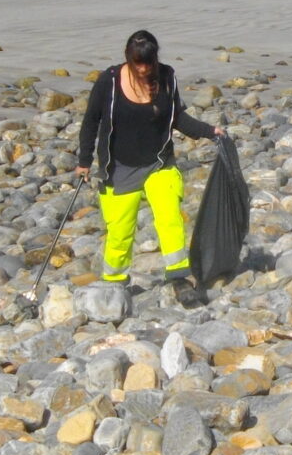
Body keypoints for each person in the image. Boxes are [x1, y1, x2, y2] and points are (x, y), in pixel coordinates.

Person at [76, 30, 221, 305]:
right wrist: (84, 161)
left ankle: (180, 278)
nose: (143, 69)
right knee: (120, 233)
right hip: (119, 168)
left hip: (159, 163)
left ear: (154, 59)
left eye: (147, 63)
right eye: (137, 63)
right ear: (128, 59)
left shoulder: (166, 77)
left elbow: (177, 117)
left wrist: (210, 131)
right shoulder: (109, 80)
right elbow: (90, 122)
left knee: (170, 218)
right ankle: (114, 283)